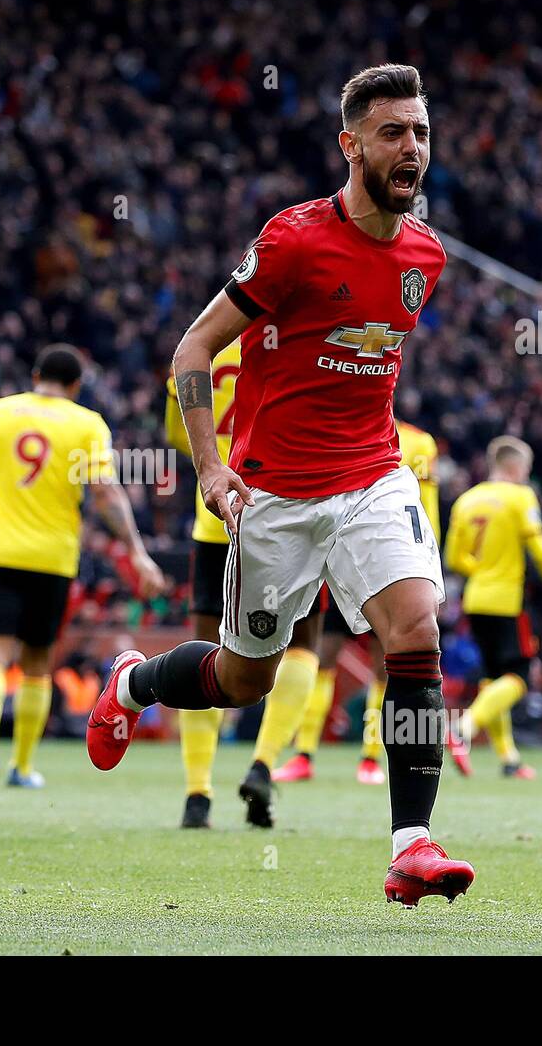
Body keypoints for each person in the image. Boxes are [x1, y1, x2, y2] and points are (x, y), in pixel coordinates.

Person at [86, 64, 475, 906]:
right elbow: (193, 349)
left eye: (420, 133)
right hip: (277, 496)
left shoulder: (425, 254)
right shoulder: (294, 240)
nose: (412, 148)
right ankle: (131, 683)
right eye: (393, 133)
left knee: (415, 631)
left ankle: (412, 842)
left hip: (374, 475)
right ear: (351, 145)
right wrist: (211, 465)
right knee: (241, 680)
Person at [0, 343, 166, 788]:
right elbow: (105, 493)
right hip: (53, 557)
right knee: (36, 663)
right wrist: (137, 552)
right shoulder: (87, 425)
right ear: (76, 385)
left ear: (34, 377)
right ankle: (23, 766)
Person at [164, 340, 322, 829]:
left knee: (205, 645)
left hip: (215, 516)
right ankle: (263, 764)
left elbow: (179, 437)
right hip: (286, 513)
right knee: (301, 646)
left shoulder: (203, 346)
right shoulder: (306, 341)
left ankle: (197, 794)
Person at [274, 418, 441, 786]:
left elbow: (425, 505)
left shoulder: (420, 441)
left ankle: (369, 757)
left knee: (387, 664)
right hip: (339, 556)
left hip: (389, 562)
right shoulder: (344, 425)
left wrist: (427, 564)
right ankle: (304, 754)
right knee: (324, 656)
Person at [443, 435, 542, 777]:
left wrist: (481, 571)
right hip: (507, 601)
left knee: (493, 678)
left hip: (475, 599)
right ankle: (463, 729)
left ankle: (508, 759)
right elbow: (540, 548)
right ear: (515, 467)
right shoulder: (520, 497)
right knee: (519, 677)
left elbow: (454, 557)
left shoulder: (467, 500)